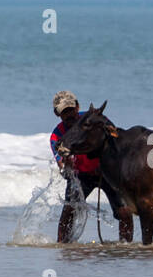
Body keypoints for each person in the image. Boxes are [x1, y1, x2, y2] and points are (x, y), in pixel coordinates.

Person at [49, 90, 133, 242]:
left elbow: (116, 143)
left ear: (78, 107)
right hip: (81, 176)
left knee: (125, 212)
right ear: (57, 114)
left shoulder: (96, 119)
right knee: (68, 211)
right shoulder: (57, 136)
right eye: (64, 112)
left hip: (106, 173)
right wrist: (67, 165)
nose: (69, 115)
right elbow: (63, 168)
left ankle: (126, 247)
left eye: (71, 109)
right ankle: (62, 246)